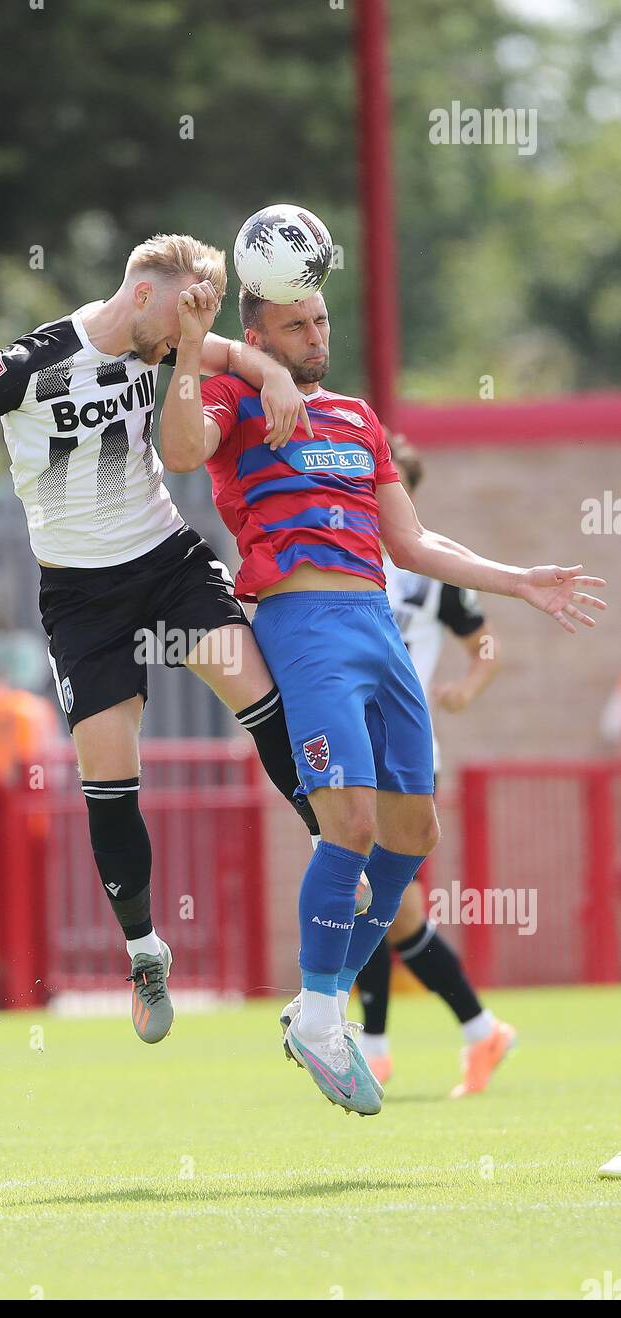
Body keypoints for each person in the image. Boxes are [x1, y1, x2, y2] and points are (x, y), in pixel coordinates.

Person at [0, 234, 347, 1046]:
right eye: (179, 317)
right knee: (111, 778)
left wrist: (277, 371)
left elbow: (234, 357)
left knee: (259, 695)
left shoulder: (171, 335)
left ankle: (335, 847)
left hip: (168, 562)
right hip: (80, 595)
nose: (184, 339)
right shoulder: (31, 364)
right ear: (143, 294)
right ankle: (146, 950)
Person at [160, 281, 607, 1118]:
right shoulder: (233, 396)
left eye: (322, 318)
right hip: (302, 621)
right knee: (350, 824)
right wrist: (194, 349)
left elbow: (411, 540)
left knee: (415, 831)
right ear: (260, 333)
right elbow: (183, 452)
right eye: (296, 324)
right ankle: (325, 1014)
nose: (316, 333)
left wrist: (518, 582)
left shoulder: (358, 418)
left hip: (375, 621)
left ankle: (318, 1007)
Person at [355, 434, 515, 1098]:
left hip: (407, 750)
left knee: (372, 899)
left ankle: (378, 1047)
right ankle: (479, 1033)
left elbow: (487, 644)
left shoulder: (427, 563)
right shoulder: (347, 554)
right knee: (386, 907)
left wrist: (466, 690)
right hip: (355, 743)